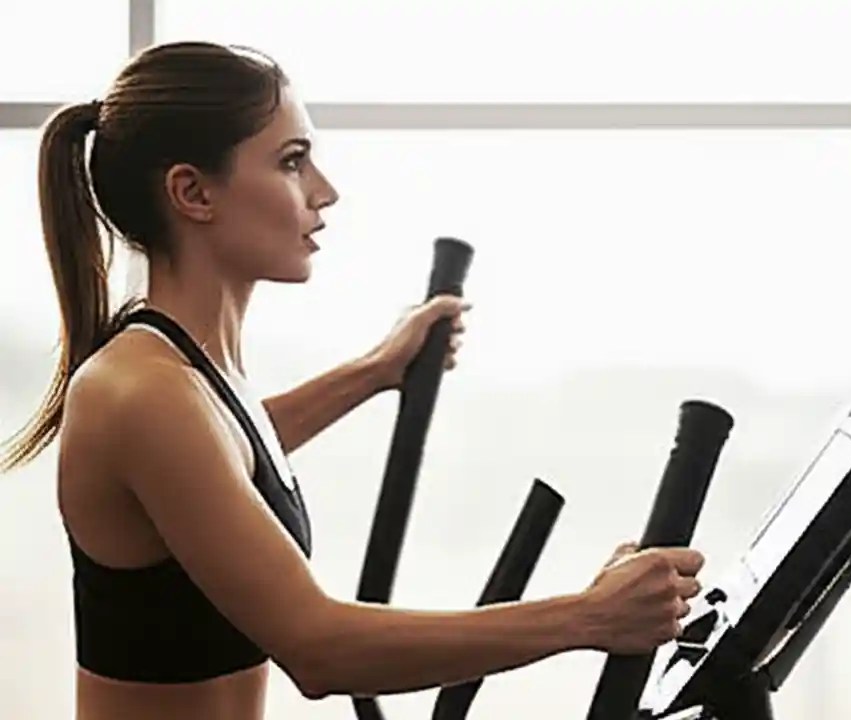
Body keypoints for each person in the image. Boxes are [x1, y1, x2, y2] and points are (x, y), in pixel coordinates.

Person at [0, 41, 704, 720]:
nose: (324, 191)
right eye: (291, 161)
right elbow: (321, 650)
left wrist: (375, 371)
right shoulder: (140, 390)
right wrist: (589, 616)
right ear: (193, 192)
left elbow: (228, 454)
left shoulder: (187, 375)